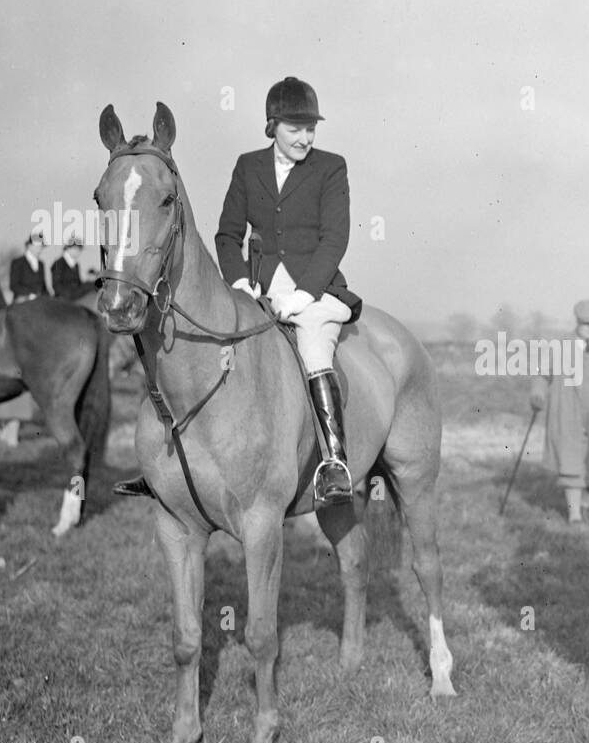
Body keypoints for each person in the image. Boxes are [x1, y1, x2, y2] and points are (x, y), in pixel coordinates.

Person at [114, 76, 362, 505]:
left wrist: (303, 295)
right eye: (293, 129)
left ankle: (333, 461)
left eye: (310, 129)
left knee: (315, 347)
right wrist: (243, 282)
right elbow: (228, 234)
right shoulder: (249, 166)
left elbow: (334, 239)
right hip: (256, 287)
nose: (304, 138)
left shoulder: (330, 166)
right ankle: (167, 464)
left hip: (314, 291)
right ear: (272, 126)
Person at [529, 300, 589, 524]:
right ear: (577, 323)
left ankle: (586, 499)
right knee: (570, 460)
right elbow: (542, 374)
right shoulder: (560, 346)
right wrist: (538, 394)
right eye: (585, 324)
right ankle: (574, 513)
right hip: (568, 412)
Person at [8, 229, 50, 302]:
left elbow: (44, 286)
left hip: (39, 299)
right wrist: (30, 294)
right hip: (22, 299)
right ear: (29, 246)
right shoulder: (18, 262)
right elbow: (14, 285)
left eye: (41, 247)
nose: (40, 249)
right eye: (38, 246)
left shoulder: (41, 264)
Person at [51, 237, 97, 302]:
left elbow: (78, 283)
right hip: (65, 298)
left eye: (80, 249)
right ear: (69, 248)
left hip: (76, 295)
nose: (79, 252)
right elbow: (56, 286)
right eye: (78, 249)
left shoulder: (76, 265)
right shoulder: (58, 263)